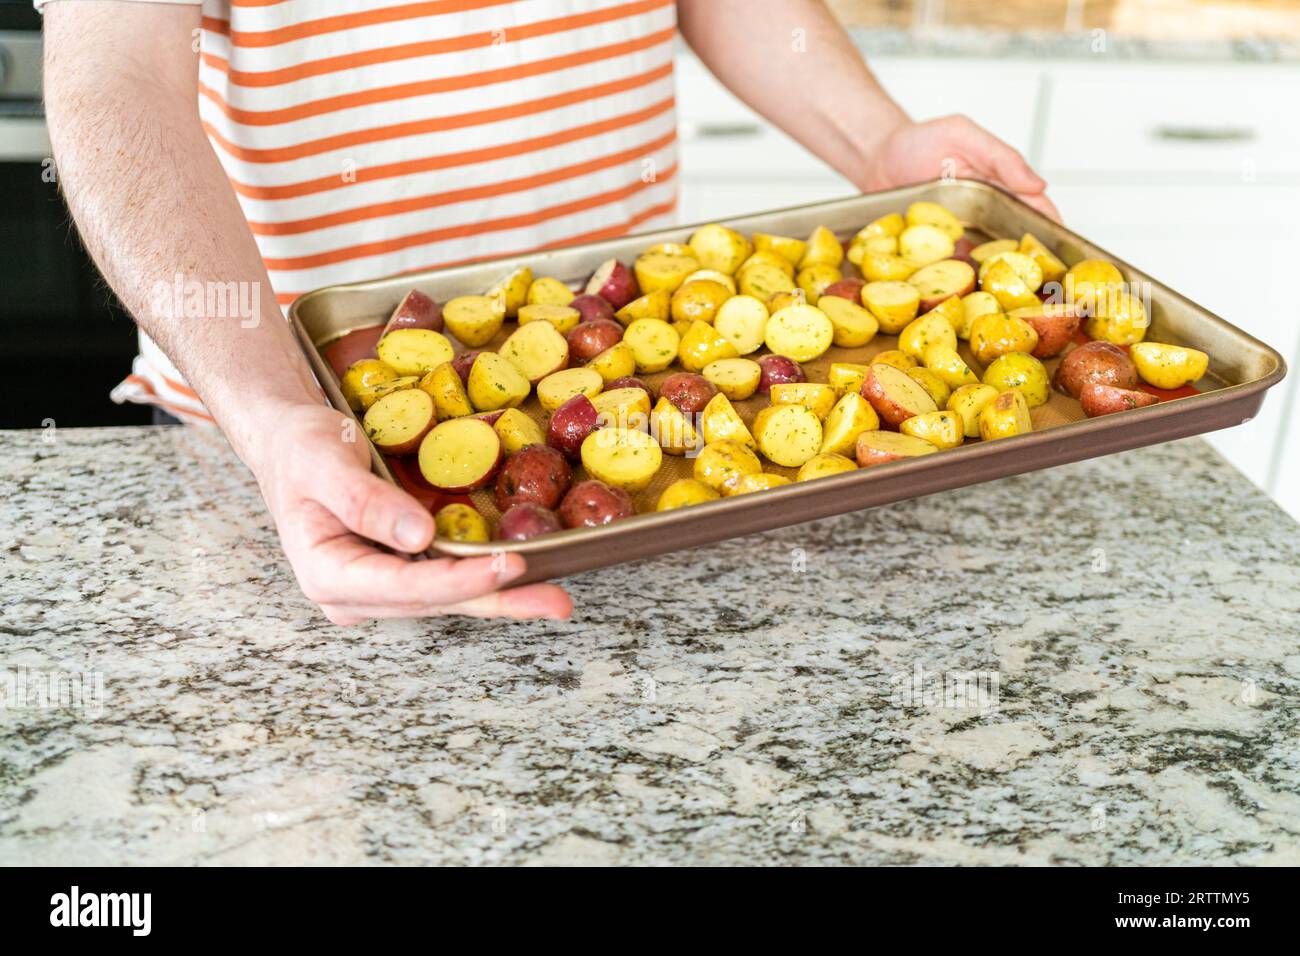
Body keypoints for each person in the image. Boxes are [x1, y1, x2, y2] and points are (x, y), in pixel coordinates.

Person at [42, 0, 1056, 625]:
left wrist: (877, 140)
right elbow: (115, 76)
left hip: (646, 439)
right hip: (284, 459)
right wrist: (274, 420)